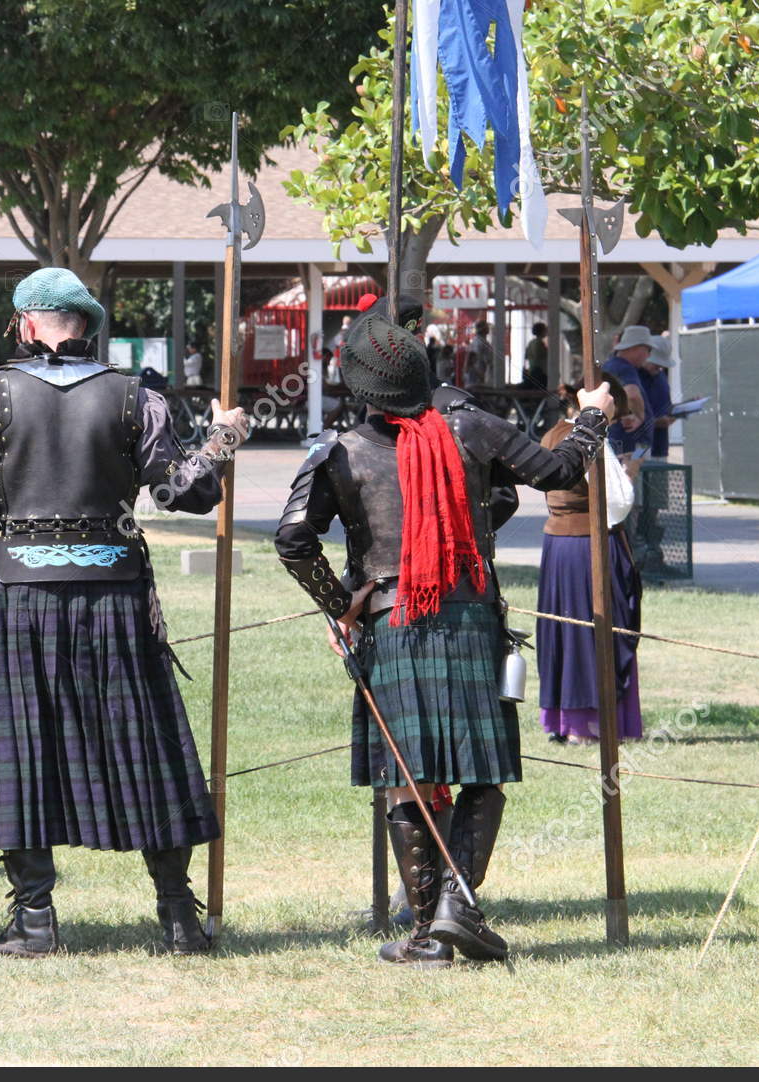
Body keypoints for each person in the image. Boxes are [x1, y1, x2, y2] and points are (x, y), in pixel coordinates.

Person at [275, 313, 614, 968]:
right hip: (468, 617)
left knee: (409, 779)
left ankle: (431, 930)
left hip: (391, 623)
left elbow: (293, 539)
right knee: (482, 770)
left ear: (362, 387)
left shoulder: (339, 450)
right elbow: (557, 471)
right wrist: (593, 416)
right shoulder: (472, 426)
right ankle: (454, 907)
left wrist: (340, 604)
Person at [0, 267, 248, 958]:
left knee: (23, 747)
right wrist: (223, 437)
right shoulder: (138, 397)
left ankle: (34, 919)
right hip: (116, 596)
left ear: (26, 324)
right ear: (87, 325)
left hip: (21, 597)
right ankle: (178, 918)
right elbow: (184, 493)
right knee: (147, 746)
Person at [536, 383, 645, 744]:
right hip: (588, 547)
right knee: (590, 633)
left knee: (568, 635)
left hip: (560, 548)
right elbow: (616, 503)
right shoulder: (587, 439)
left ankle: (567, 722)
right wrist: (629, 472)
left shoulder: (553, 433)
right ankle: (588, 725)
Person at [600, 325, 654, 457]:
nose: (648, 355)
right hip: (630, 446)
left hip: (616, 440)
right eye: (648, 350)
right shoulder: (625, 368)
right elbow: (632, 395)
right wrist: (641, 417)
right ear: (637, 348)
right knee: (633, 477)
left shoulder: (609, 365)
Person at [641, 334, 675, 459]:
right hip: (639, 447)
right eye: (656, 364)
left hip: (660, 445)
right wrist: (654, 422)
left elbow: (666, 404)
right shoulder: (634, 377)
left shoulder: (661, 376)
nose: (659, 368)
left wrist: (678, 411)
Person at [463, 319, 494, 390]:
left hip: (476, 375)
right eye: (486, 326)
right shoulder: (481, 343)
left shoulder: (476, 341)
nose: (488, 328)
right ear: (483, 329)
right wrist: (481, 375)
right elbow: (487, 360)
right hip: (477, 377)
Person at [524, 321, 549, 391]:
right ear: (542, 331)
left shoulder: (531, 343)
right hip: (539, 373)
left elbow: (526, 356)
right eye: (545, 329)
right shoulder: (539, 343)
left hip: (532, 371)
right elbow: (538, 355)